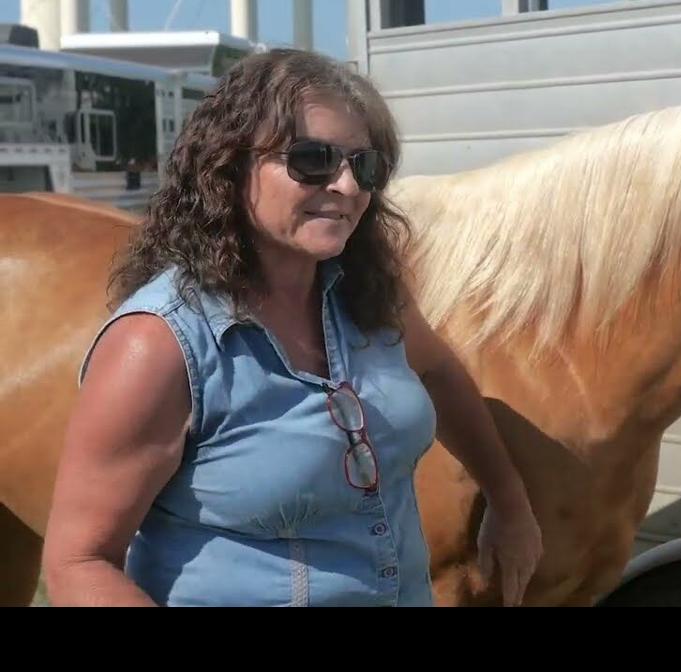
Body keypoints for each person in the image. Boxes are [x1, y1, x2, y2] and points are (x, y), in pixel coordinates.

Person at [40, 49, 543, 607]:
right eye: (313, 160)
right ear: (227, 167)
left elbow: (441, 373)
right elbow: (78, 564)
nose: (349, 187)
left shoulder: (372, 297)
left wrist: (509, 501)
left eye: (365, 165)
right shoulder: (158, 345)